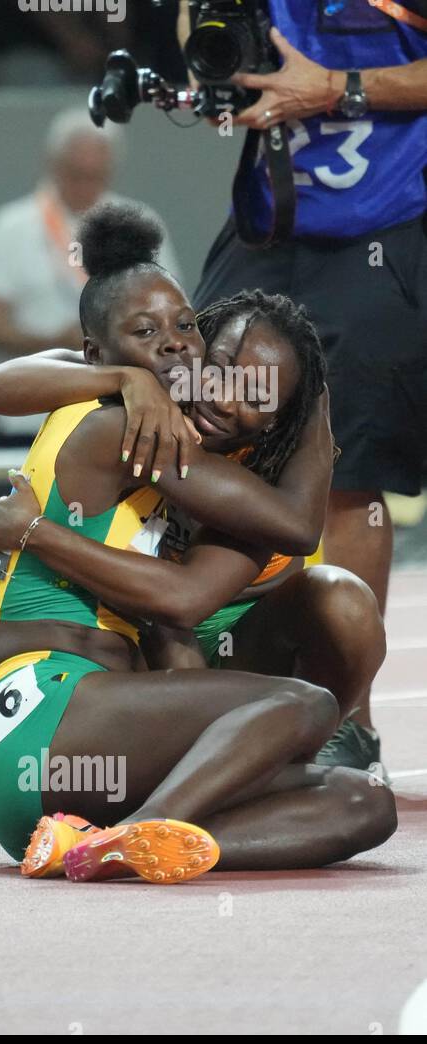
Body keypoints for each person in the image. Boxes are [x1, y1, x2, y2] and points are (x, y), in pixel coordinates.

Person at [0, 206, 395, 882]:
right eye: (147, 333)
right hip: (50, 714)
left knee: (362, 804)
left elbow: (268, 547)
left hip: (91, 746)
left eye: (184, 327)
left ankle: (134, 841)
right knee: (302, 705)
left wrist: (312, 396)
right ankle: (134, 834)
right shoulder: (130, 427)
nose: (175, 347)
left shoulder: (194, 449)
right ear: (98, 353)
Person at [183, 0, 427, 752]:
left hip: (385, 220)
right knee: (201, 423)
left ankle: (348, 718)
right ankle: (216, 687)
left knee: (349, 467)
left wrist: (336, 88)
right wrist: (214, 67)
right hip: (272, 214)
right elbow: (204, 36)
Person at [0, 109, 180, 443]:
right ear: (52, 164)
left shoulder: (139, 224)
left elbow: (169, 315)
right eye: (75, 174)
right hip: (29, 416)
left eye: (96, 175)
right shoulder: (11, 226)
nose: (85, 187)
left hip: (118, 414)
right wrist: (55, 341)